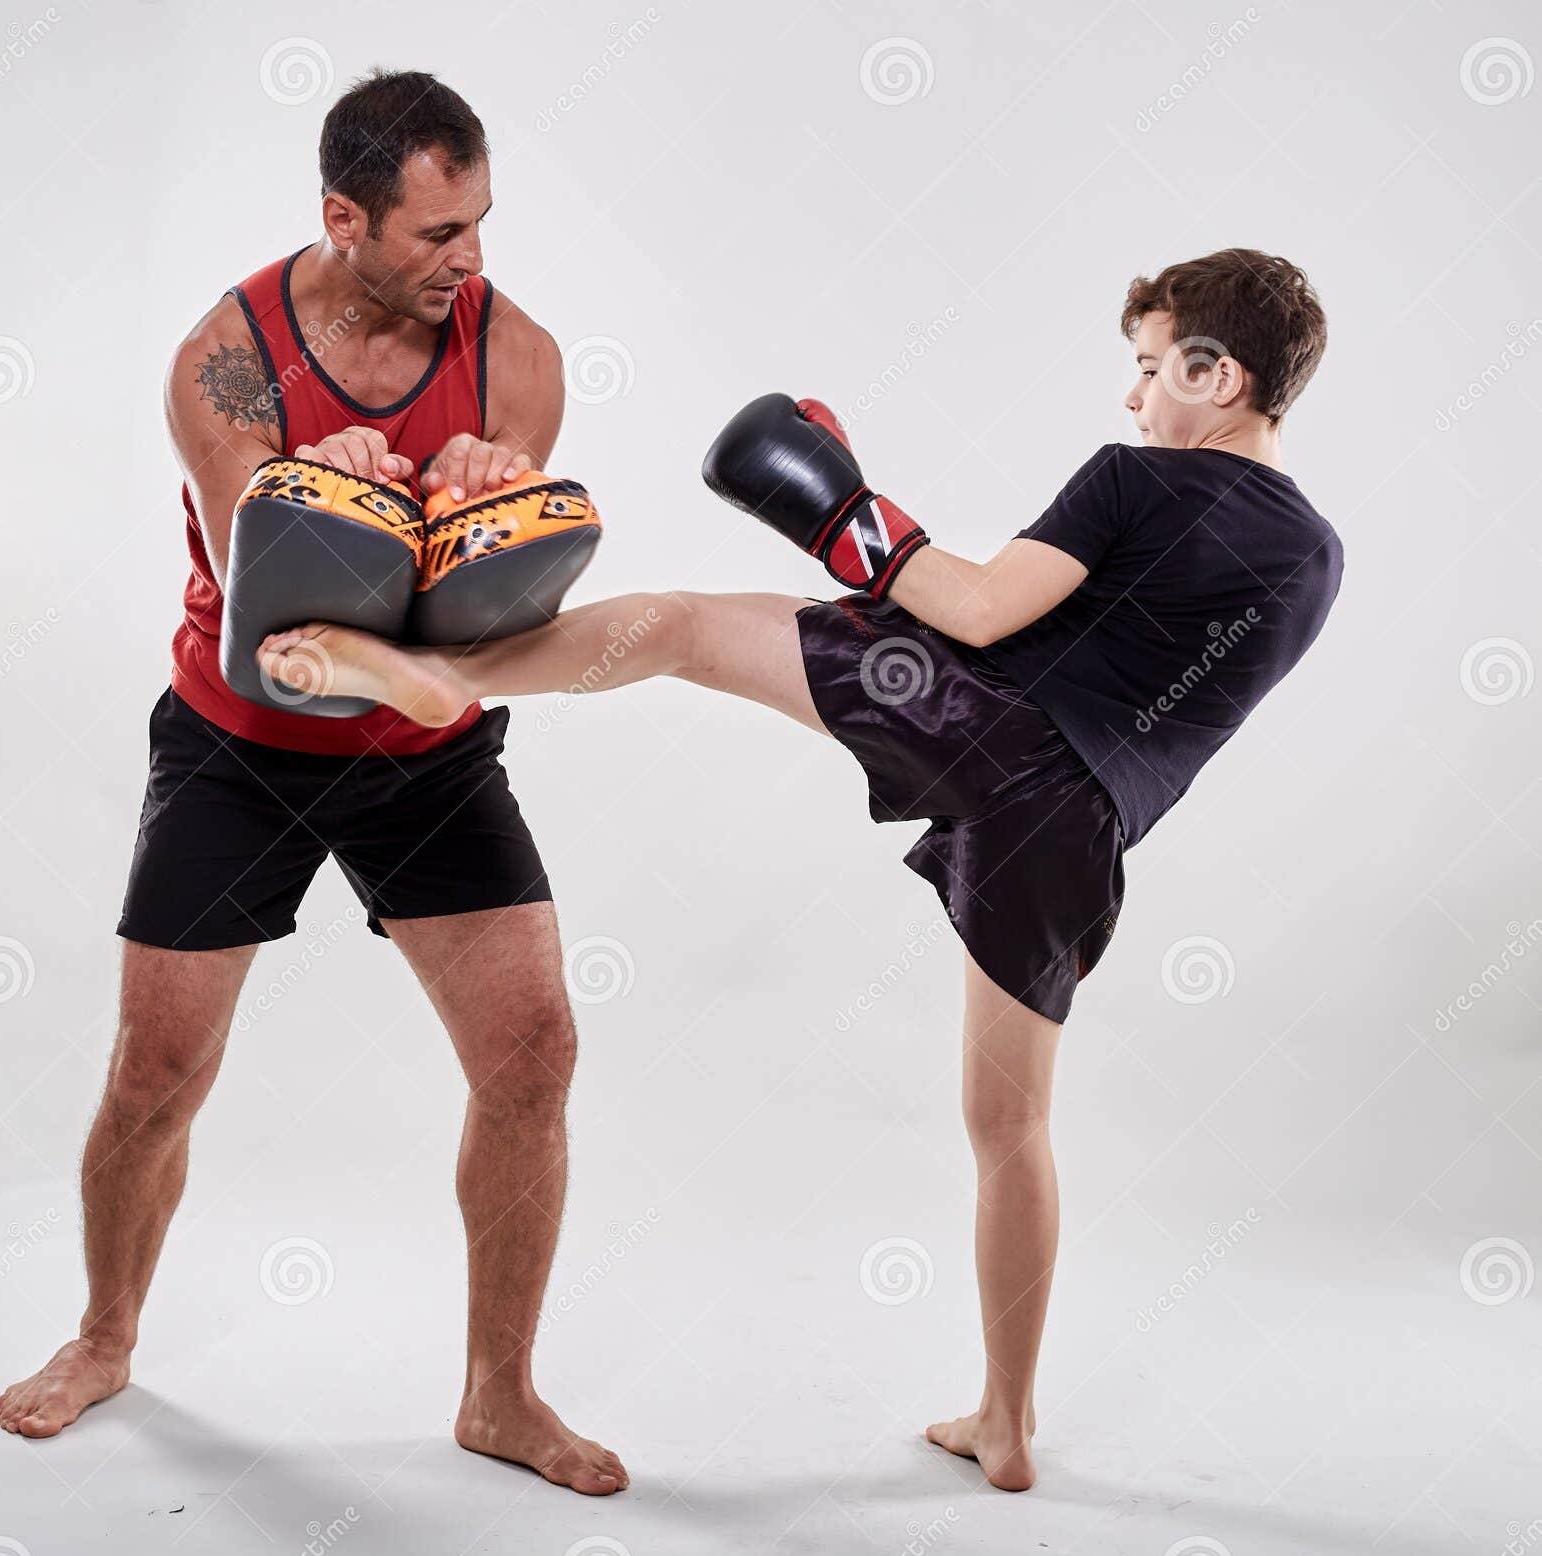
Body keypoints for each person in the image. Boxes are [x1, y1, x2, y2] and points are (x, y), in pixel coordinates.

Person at [256, 249, 1343, 1492]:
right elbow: (1139, 687)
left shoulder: (1134, 479)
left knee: (679, 627)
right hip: (1077, 839)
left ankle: (439, 680)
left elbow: (983, 611)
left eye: (1153, 370)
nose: (1135, 398)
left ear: (1218, 372)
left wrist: (841, 509)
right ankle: (1005, 1422)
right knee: (1012, 1128)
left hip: (978, 726)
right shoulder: (1315, 556)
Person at [0, 70, 629, 1497]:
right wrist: (313, 495)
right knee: (157, 1076)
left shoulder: (515, 356)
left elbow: (476, 629)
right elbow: (277, 637)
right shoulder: (225, 360)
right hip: (241, 746)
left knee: (534, 1054)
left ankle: (499, 1392)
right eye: (433, 235)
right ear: (342, 218)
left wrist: (471, 504)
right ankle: (105, 1334)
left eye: (478, 225)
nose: (465, 260)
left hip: (424, 757)